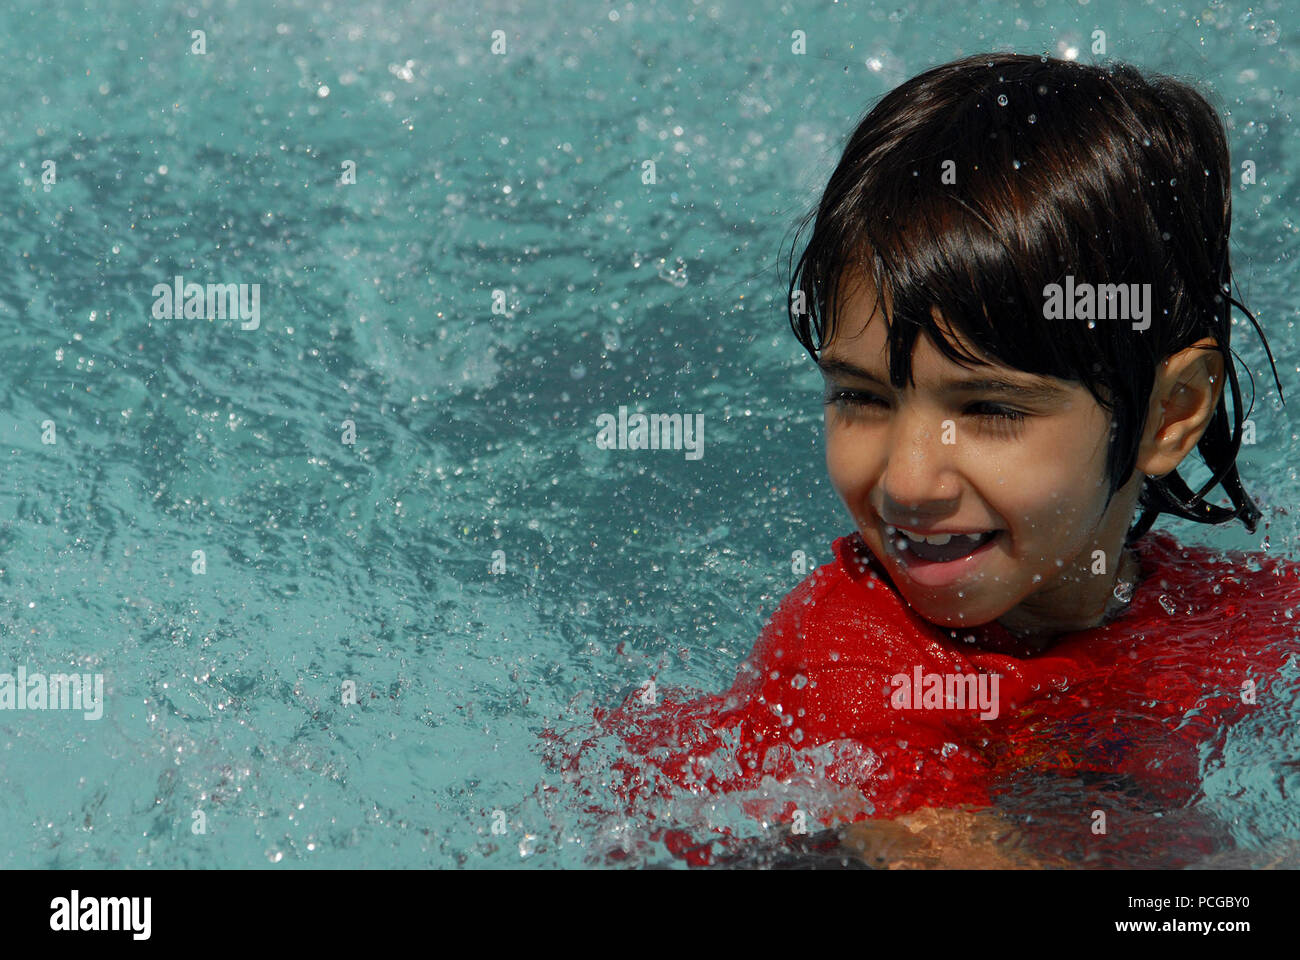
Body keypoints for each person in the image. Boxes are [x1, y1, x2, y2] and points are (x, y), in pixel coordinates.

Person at [551, 52, 1296, 868]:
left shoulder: (1228, 619)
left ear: (1170, 412)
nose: (908, 480)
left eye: (989, 410)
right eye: (861, 398)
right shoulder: (851, 668)